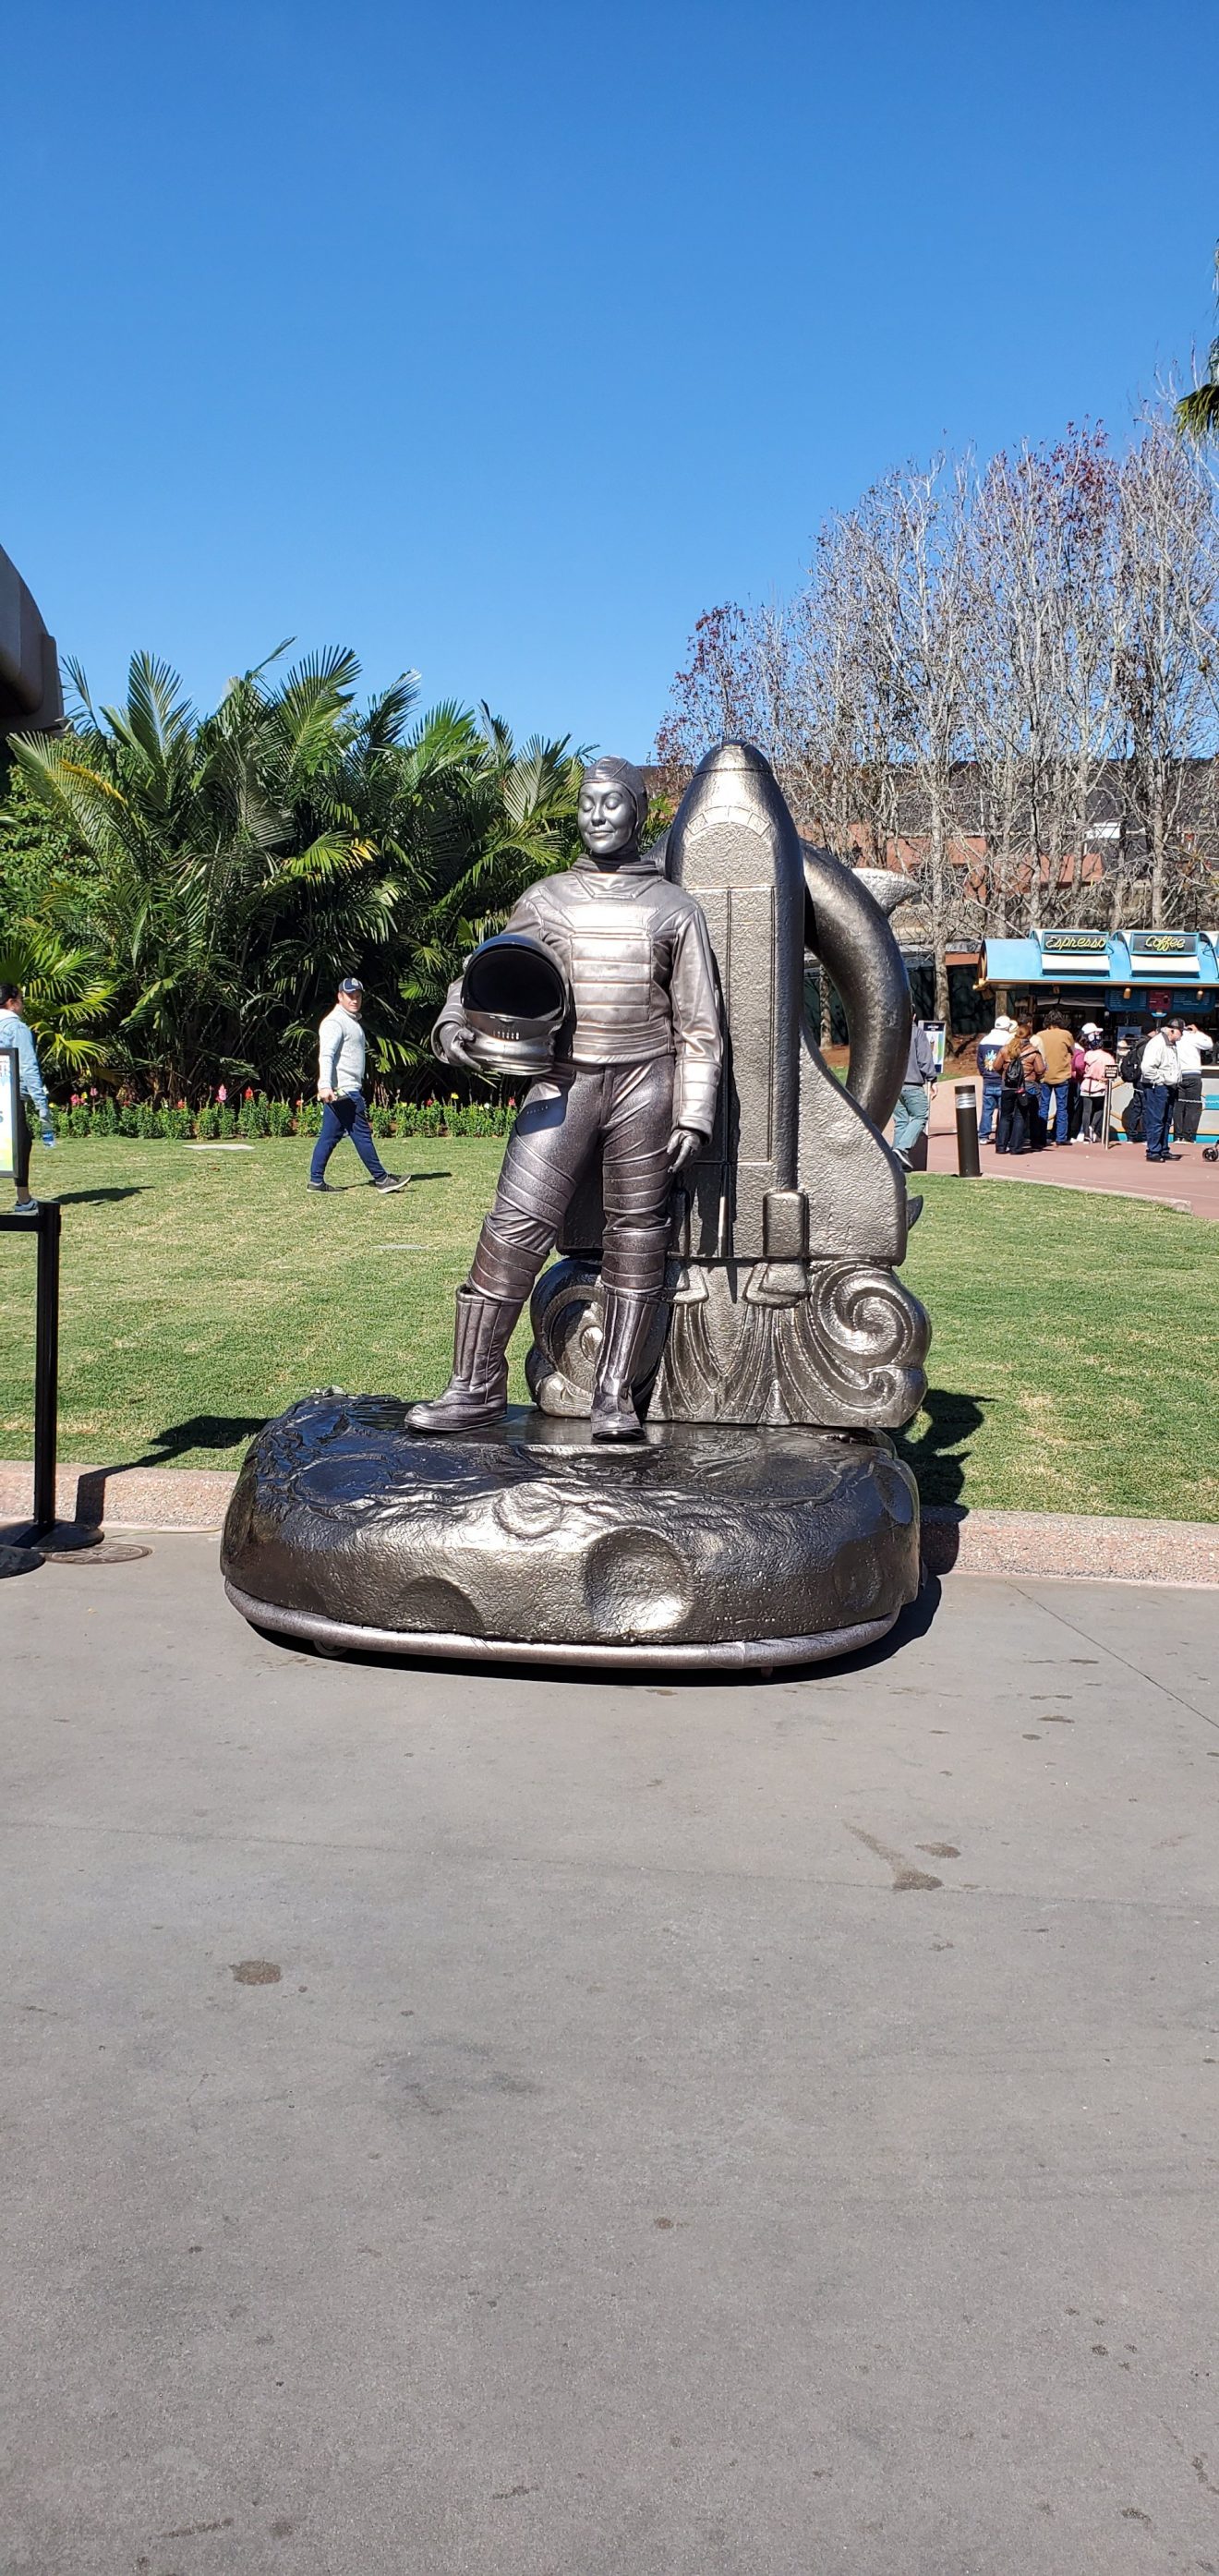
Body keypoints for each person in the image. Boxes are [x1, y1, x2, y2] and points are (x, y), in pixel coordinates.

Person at [406, 756, 722, 1442]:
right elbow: (491, 967)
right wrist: (457, 1020)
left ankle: (615, 1391)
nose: (598, 815)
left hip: (647, 1082)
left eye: (612, 803)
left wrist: (694, 1111)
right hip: (564, 1080)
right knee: (512, 1228)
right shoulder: (549, 897)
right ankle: (474, 1384)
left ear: (639, 813)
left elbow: (699, 1026)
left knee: (638, 1239)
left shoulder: (676, 909)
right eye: (587, 803)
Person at [309, 978, 407, 1192]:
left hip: (343, 1090)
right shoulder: (335, 1022)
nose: (355, 999)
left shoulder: (350, 1022)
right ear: (340, 997)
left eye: (358, 995)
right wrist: (324, 1085)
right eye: (350, 995)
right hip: (343, 1091)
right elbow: (326, 1055)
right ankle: (381, 1179)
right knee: (361, 1134)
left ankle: (316, 1181)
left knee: (329, 1136)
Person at [0, 981, 55, 1215]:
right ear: (12, 1002)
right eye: (21, 1000)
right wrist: (42, 1105)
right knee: (20, 1145)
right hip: (9, 1097)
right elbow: (28, 1067)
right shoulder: (16, 1028)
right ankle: (23, 1200)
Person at [892, 1020, 938, 1167]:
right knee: (920, 1116)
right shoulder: (917, 1033)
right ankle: (902, 1149)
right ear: (914, 1016)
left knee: (901, 1121)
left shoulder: (892, 1033)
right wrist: (932, 1079)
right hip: (912, 1083)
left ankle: (895, 1161)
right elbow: (924, 1059)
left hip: (894, 1085)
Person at [995, 1021, 1044, 1155]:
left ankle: (1000, 1146)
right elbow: (1040, 1070)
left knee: (1005, 1116)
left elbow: (996, 1066)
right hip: (1026, 1086)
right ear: (1029, 1036)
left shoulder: (1006, 1049)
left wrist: (1005, 1075)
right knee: (1020, 1116)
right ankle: (1015, 1147)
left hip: (1008, 1086)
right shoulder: (1033, 1051)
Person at [1139, 1020, 1182, 1164]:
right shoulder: (1157, 1043)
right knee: (1157, 1118)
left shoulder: (1171, 1044)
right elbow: (1147, 1068)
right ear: (1171, 1030)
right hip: (1156, 1086)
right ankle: (1153, 1151)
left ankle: (1163, 1149)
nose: (1182, 1035)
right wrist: (1160, 1080)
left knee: (1166, 1119)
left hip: (1168, 1085)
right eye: (1180, 1031)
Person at [1034, 1010, 1076, 1146]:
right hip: (1062, 1075)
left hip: (1044, 1075)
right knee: (1062, 1107)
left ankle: (1040, 1137)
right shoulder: (1066, 1035)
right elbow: (1073, 1051)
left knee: (1043, 1107)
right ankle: (1061, 1137)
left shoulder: (1039, 1035)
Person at [975, 1012, 1016, 1144]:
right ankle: (1001, 1136)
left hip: (988, 1079)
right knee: (1004, 1111)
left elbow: (980, 1061)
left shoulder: (984, 1040)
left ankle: (983, 1135)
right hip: (1002, 1080)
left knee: (987, 1110)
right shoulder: (1008, 1040)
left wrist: (984, 1073)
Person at [1173, 1022, 1213, 1143]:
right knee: (1192, 1106)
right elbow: (1209, 1044)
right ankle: (1187, 1136)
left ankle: (1177, 1136)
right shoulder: (1192, 1036)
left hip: (1178, 1074)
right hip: (1193, 1074)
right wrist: (1197, 1032)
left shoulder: (1173, 1038)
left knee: (1178, 1106)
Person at [1077, 1023, 1116, 1142]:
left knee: (1086, 1110)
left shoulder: (1087, 1055)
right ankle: (1092, 1127)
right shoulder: (1108, 1057)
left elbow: (1081, 1066)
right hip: (1100, 1085)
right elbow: (1112, 1072)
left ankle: (1085, 1134)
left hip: (1087, 1084)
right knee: (1101, 1108)